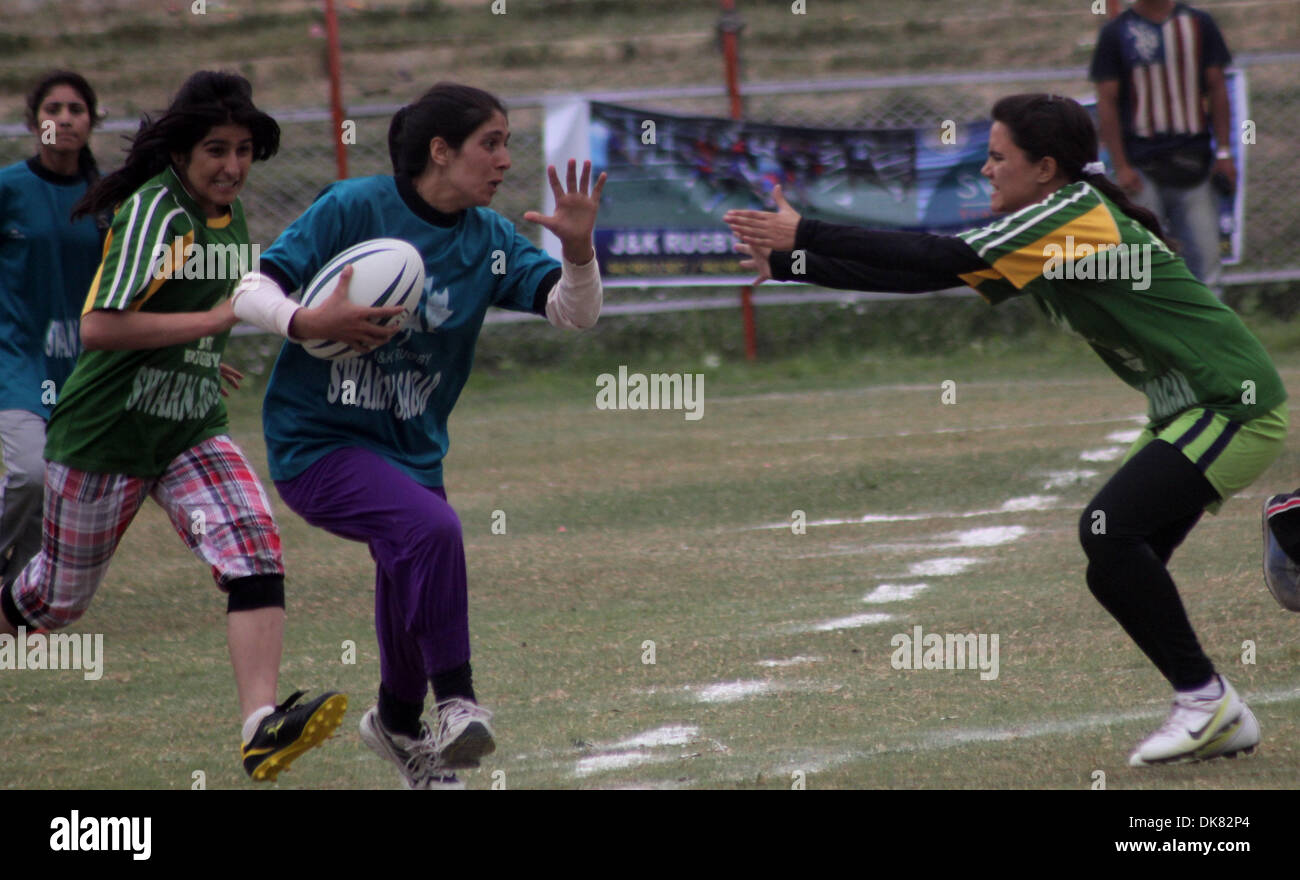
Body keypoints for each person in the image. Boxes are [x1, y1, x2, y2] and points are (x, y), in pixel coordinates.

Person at [724, 93, 1287, 768]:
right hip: (1187, 411)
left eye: (997, 157)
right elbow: (930, 276)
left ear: (1045, 167)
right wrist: (794, 262)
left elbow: (936, 256)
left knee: (1108, 531)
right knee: (1113, 566)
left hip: (1232, 402)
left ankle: (1208, 702)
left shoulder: (1072, 212)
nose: (986, 170)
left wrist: (808, 232)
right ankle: (1210, 705)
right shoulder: (1043, 225)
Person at [0, 71, 397, 783]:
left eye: (245, 149)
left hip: (188, 428)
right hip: (105, 438)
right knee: (50, 604)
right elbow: (98, 327)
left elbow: (176, 310)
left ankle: (260, 726)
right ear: (181, 151)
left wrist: (198, 354)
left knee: (253, 546)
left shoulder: (227, 215)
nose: (233, 166)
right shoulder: (160, 212)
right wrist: (212, 323)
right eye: (217, 149)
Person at [229, 82, 605, 789]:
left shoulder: (488, 239)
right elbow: (251, 288)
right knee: (431, 532)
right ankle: (455, 702)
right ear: (441, 151)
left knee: (411, 563)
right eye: (490, 143)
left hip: (412, 449)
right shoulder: (355, 207)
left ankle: (399, 726)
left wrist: (579, 252)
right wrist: (307, 322)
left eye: (507, 144)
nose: (503, 160)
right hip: (317, 442)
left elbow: (572, 313)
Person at [0, 71, 105, 585]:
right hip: (17, 357)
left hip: (81, 368)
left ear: (91, 121)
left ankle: (17, 603)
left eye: (76, 110)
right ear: (33, 121)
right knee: (29, 472)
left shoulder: (106, 199)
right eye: (52, 110)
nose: (64, 119)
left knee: (59, 490)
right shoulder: (9, 189)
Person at [1090, 0, 1235, 295]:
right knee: (1144, 264)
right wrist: (1121, 166)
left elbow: (1217, 87)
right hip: (1140, 165)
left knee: (1205, 264)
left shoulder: (1198, 24)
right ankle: (1155, 335)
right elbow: (1107, 102)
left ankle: (1207, 337)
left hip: (1193, 160)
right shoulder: (1116, 32)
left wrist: (1224, 151)